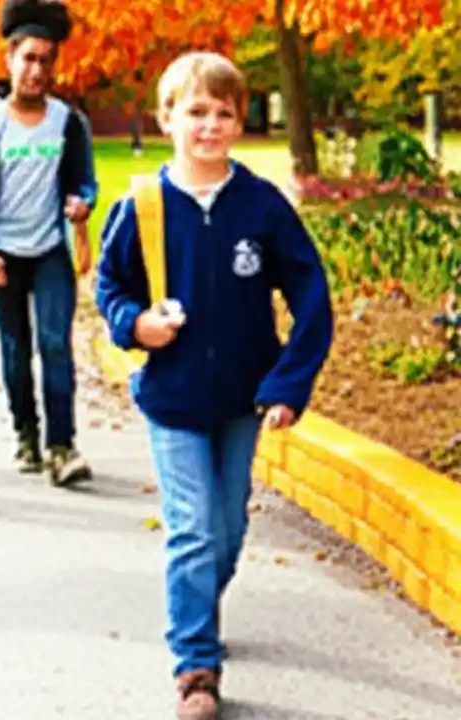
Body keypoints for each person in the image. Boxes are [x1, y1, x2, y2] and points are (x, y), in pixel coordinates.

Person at [96, 51, 333, 720]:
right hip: (171, 397)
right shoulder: (142, 203)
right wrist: (134, 324)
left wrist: (290, 380)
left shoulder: (261, 205)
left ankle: (197, 597)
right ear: (166, 117)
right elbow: (110, 286)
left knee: (226, 530)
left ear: (239, 121)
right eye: (195, 112)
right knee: (195, 528)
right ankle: (196, 664)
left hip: (242, 396)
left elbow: (311, 292)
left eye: (223, 113)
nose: (209, 125)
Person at [0, 0, 95, 484]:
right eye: (28, 58)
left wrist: (82, 203)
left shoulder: (67, 122)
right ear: (10, 59)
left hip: (48, 253)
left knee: (55, 345)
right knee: (16, 350)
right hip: (4, 255)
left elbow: (85, 181)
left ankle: (62, 445)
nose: (37, 70)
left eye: (46, 60)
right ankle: (26, 432)